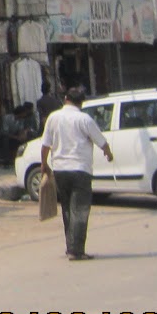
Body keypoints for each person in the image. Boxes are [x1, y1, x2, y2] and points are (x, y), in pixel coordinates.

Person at [40, 86, 113, 261]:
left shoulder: (53, 117)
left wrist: (44, 165)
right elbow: (101, 141)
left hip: (60, 170)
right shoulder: (84, 119)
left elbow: (45, 145)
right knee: (79, 210)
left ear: (66, 98)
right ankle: (77, 250)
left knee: (67, 209)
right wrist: (108, 153)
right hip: (80, 169)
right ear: (82, 102)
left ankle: (70, 246)